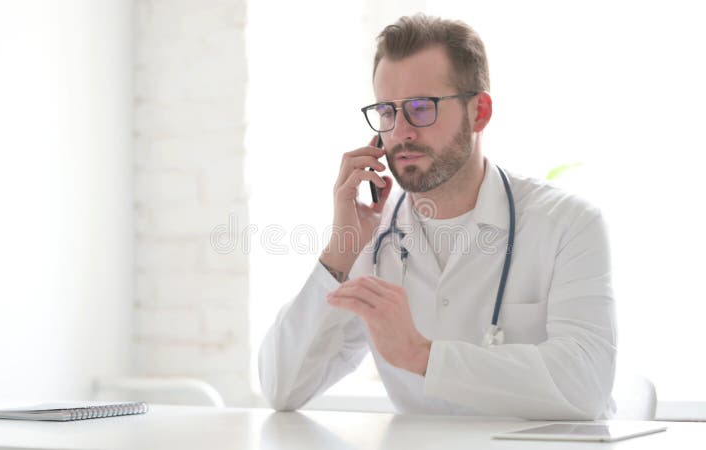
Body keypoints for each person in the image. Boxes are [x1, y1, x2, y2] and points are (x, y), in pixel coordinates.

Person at [258, 14, 616, 420]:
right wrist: (339, 253)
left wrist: (423, 356)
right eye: (388, 112)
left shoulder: (568, 224)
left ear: (479, 111)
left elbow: (586, 385)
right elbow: (281, 388)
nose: (401, 133)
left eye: (420, 108)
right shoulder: (373, 237)